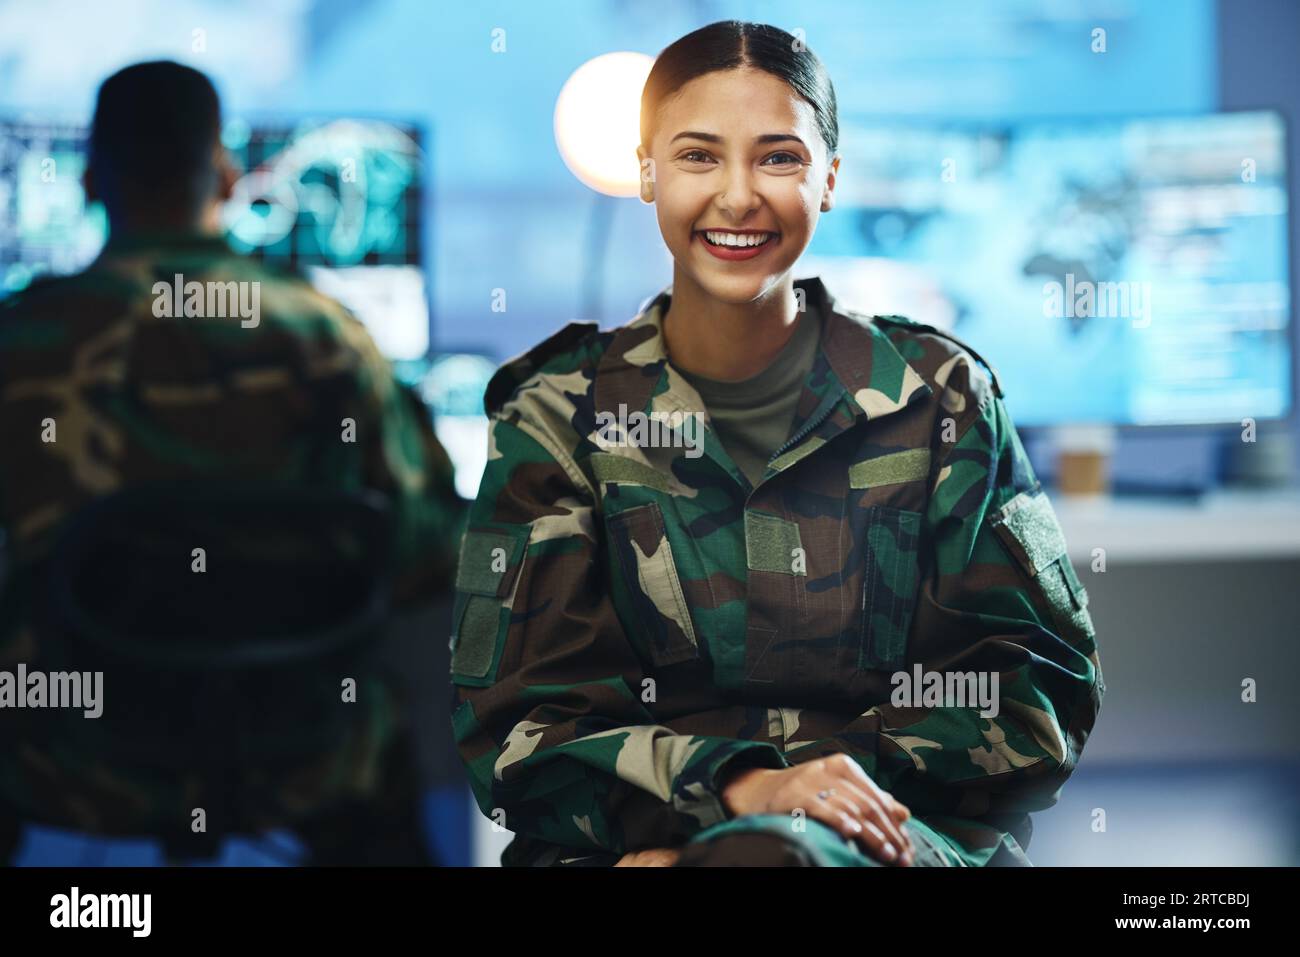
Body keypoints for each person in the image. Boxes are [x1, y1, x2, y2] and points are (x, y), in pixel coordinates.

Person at [449, 21, 1103, 867]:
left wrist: (803, 808)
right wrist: (727, 794)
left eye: (778, 158)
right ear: (646, 172)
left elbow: (1033, 692)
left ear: (828, 179)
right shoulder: (557, 414)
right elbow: (515, 725)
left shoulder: (940, 396)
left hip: (888, 840)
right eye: (696, 156)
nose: (737, 196)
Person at [0, 61, 465, 863]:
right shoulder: (322, 336)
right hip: (297, 746)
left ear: (87, 180)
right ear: (223, 172)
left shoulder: (20, 341)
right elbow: (425, 551)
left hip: (68, 750)